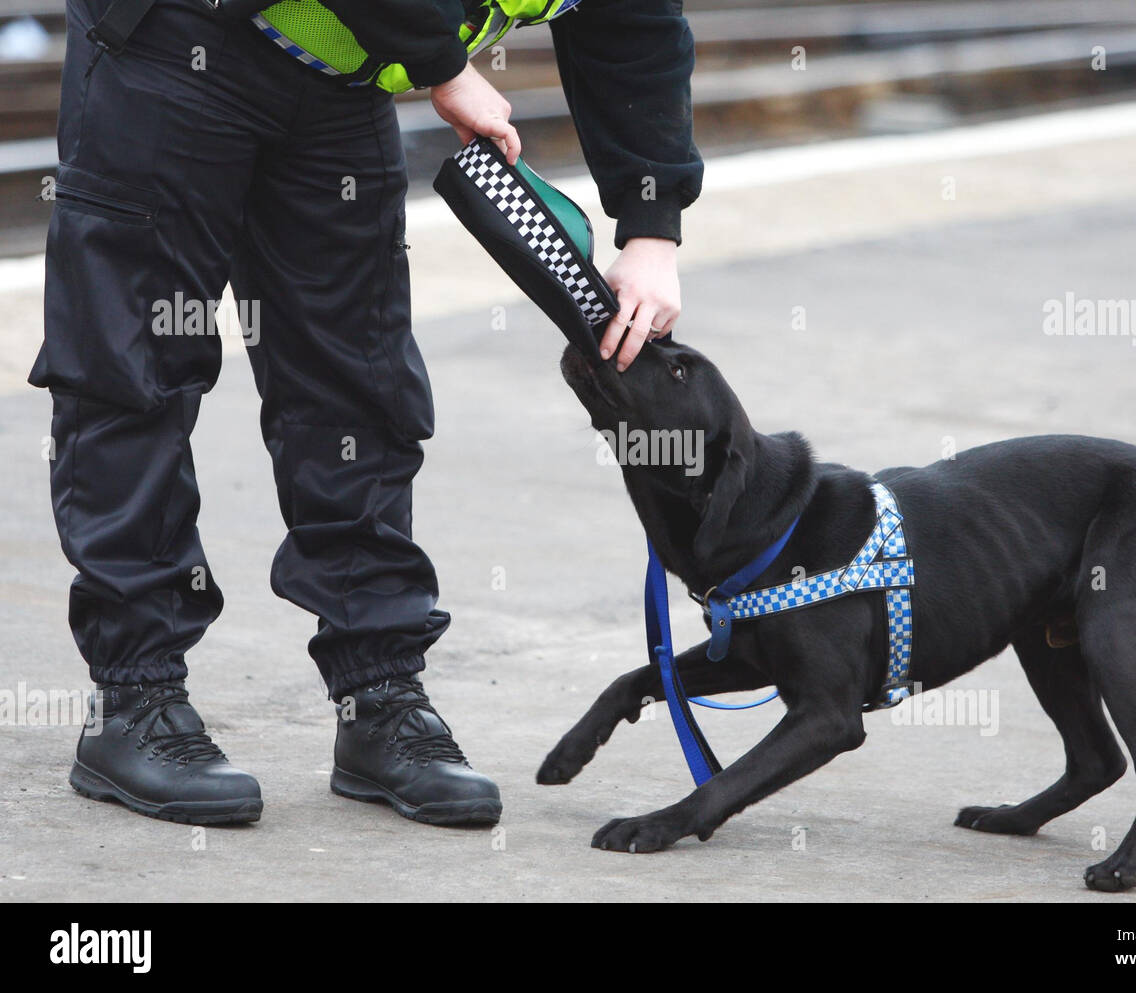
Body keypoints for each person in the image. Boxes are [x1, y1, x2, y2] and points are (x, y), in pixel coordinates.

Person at [29, 0, 702, 827]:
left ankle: (377, 697)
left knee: (358, 388)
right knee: (131, 373)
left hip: (341, 75)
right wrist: (444, 67)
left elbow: (629, 17)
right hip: (174, 41)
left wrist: (650, 224)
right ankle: (135, 699)